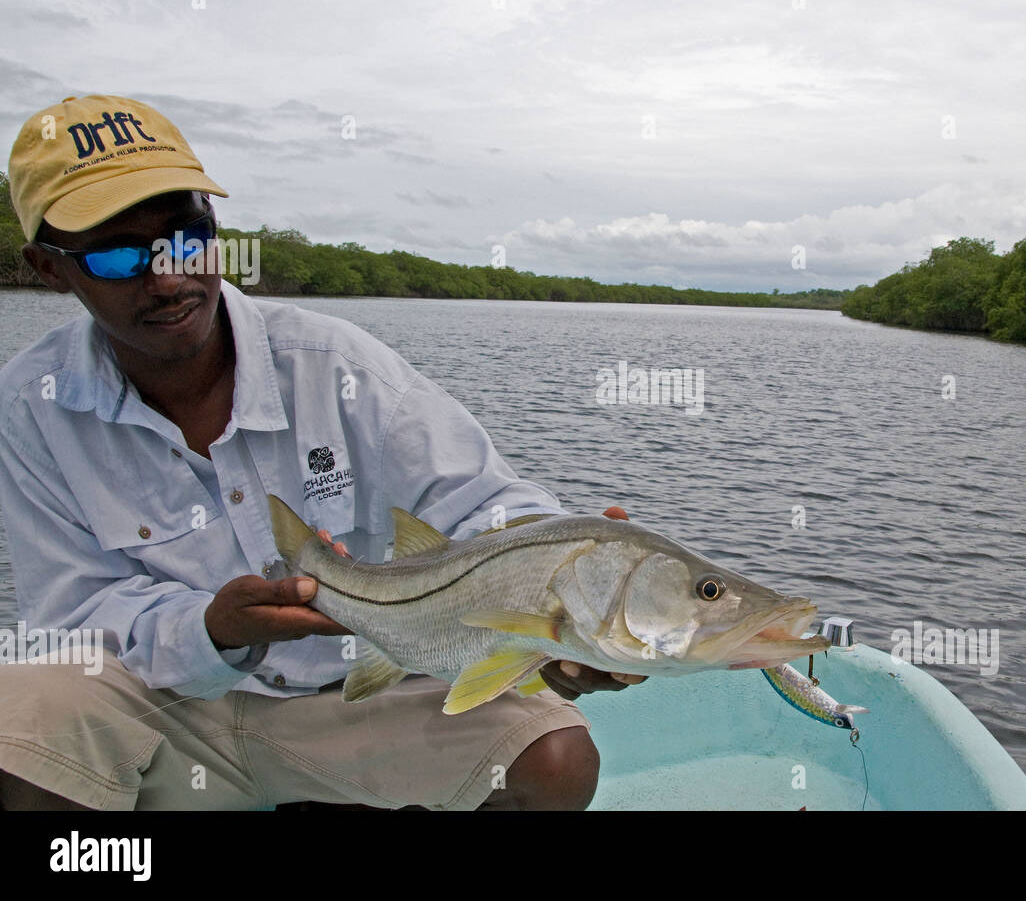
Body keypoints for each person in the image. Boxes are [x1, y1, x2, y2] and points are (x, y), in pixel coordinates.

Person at [0, 94, 643, 811]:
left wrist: (561, 564)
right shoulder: (32, 405)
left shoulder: (339, 364)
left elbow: (483, 504)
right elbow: (75, 614)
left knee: (552, 758)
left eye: (185, 239)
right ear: (49, 268)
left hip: (353, 698)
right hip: (170, 709)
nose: (169, 278)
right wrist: (212, 629)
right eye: (118, 255)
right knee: (20, 725)